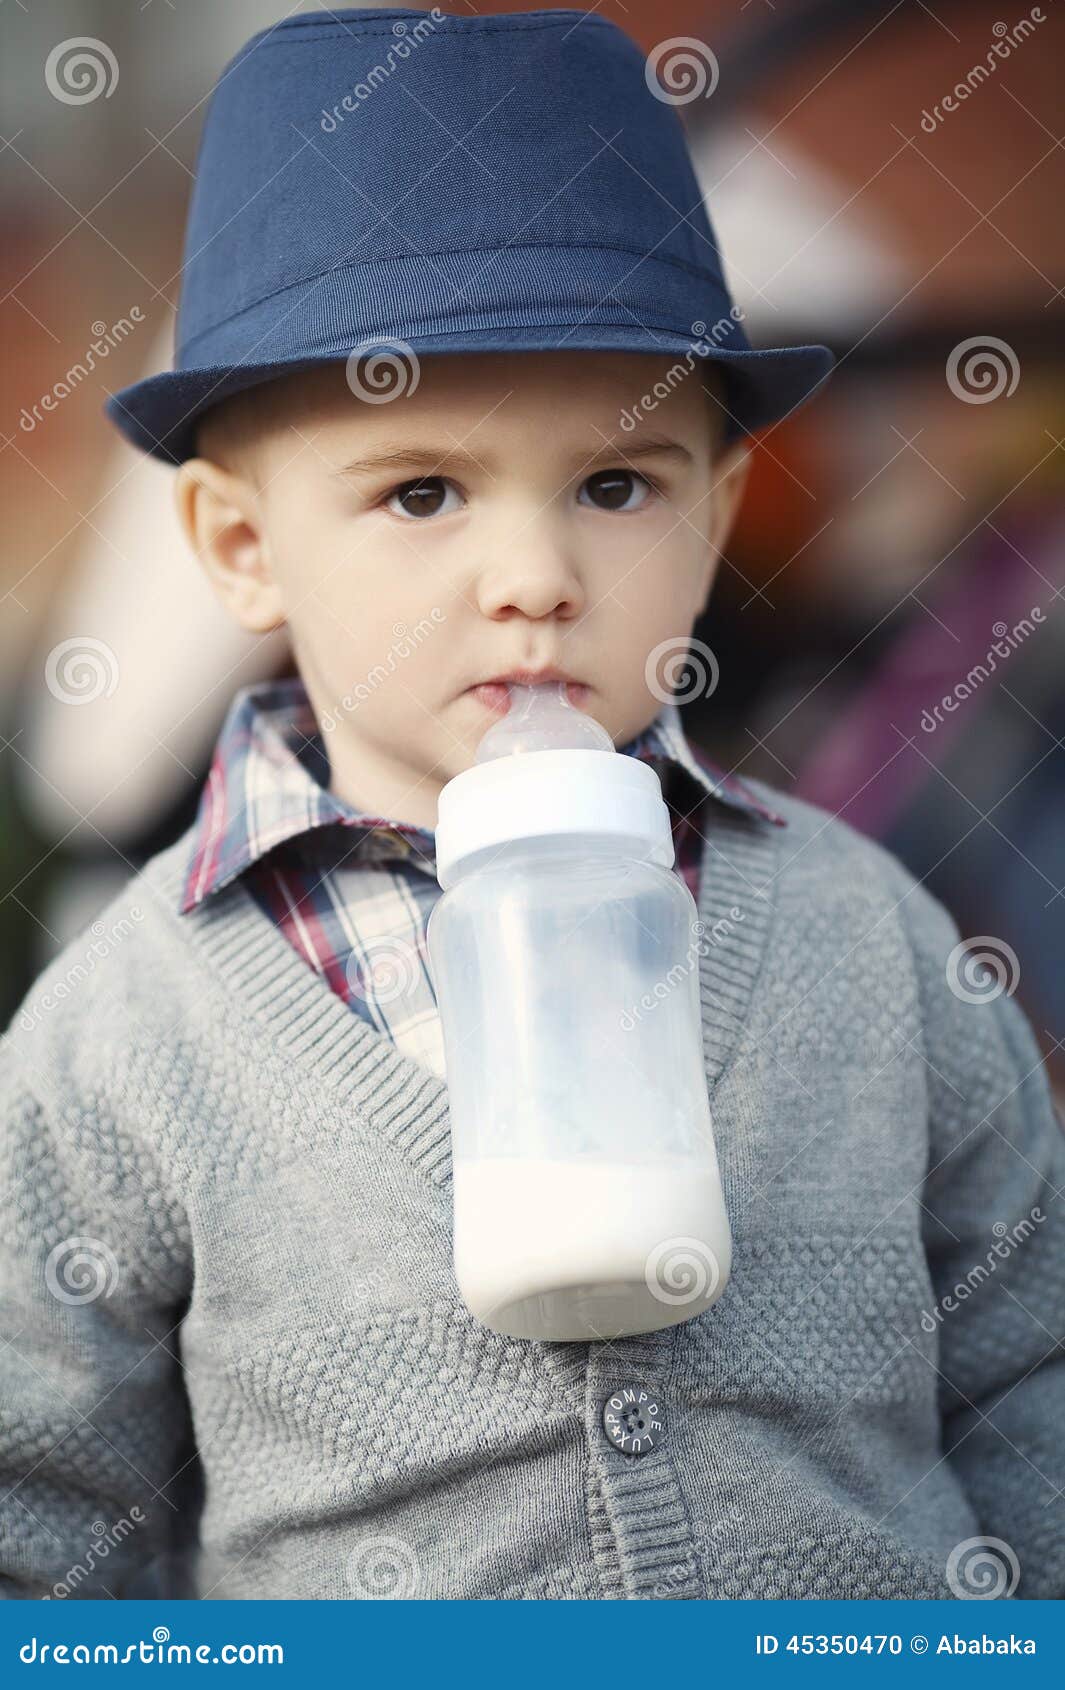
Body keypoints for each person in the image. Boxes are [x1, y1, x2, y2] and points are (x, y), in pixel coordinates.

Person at [2, 8, 1062, 1603]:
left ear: (713, 519)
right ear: (240, 548)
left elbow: (1025, 1363)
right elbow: (48, 1513)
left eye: (616, 484)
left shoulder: (869, 936)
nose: (536, 581)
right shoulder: (126, 1034)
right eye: (421, 492)